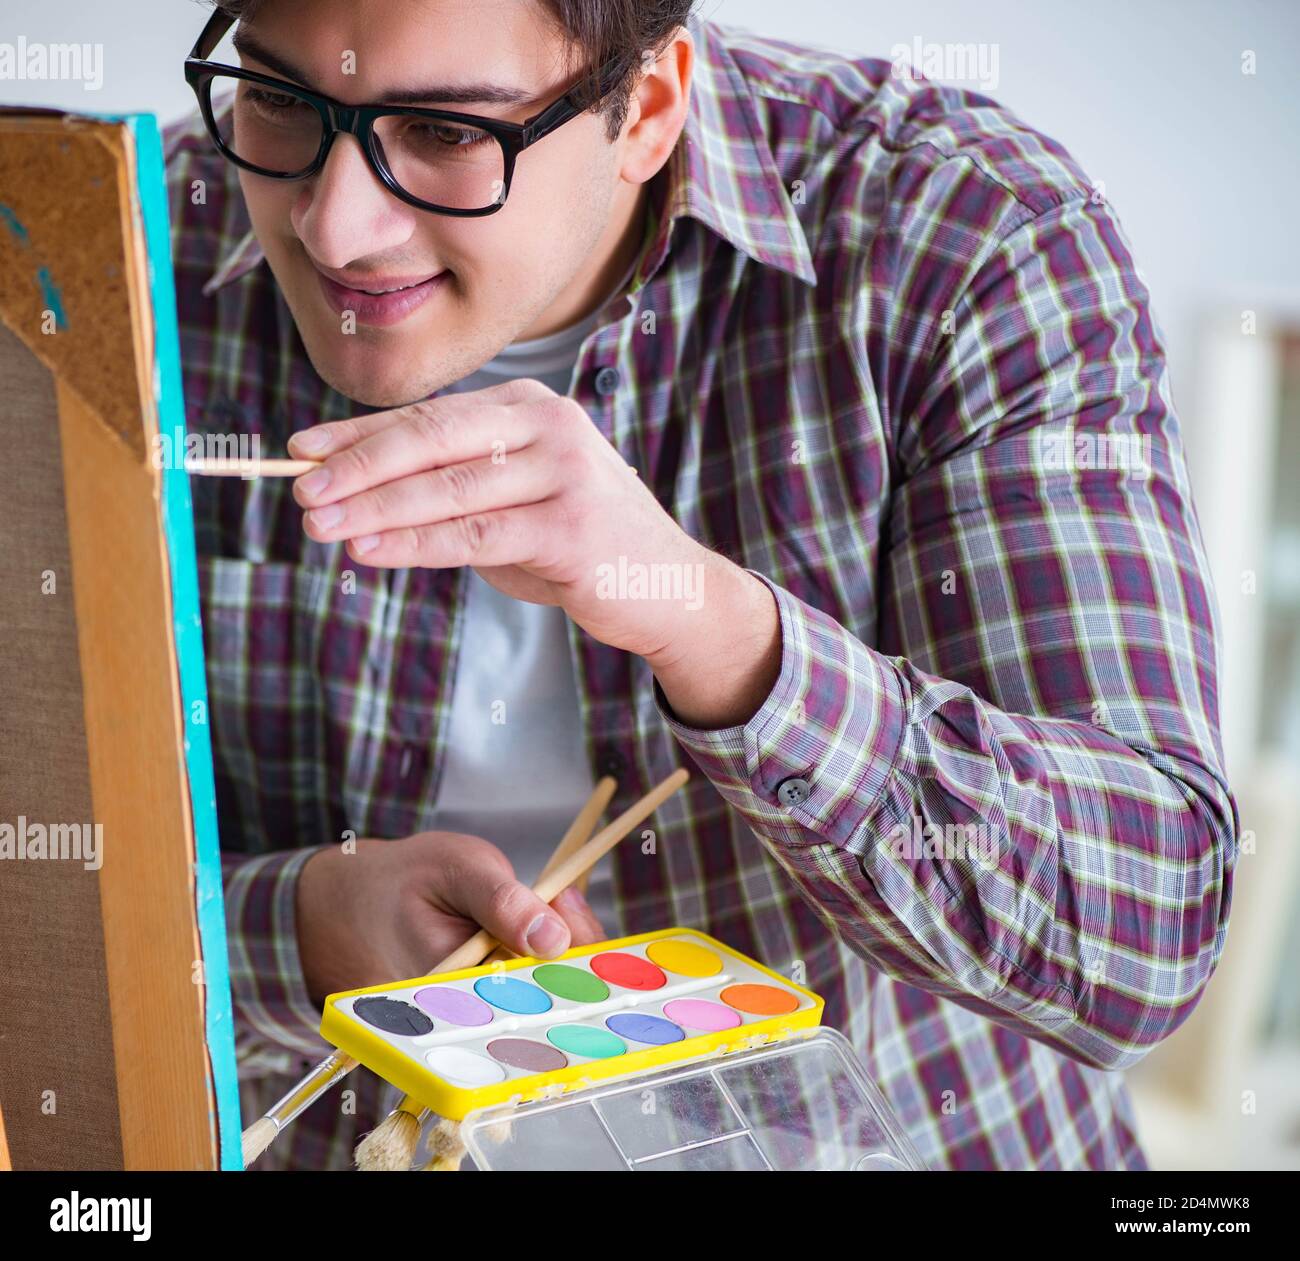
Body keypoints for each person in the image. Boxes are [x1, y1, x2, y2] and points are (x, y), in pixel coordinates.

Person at [166, 0, 1238, 1169]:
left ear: (650, 110)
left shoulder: (964, 235)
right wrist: (293, 927)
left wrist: (712, 627)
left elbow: (1146, 932)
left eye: (442, 131)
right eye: (277, 98)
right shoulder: (133, 259)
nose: (335, 225)